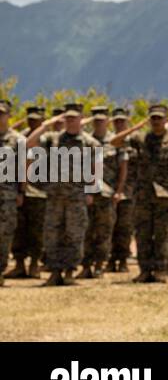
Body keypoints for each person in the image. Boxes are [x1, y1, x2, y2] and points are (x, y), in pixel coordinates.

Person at [110, 105, 168, 283]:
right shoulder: (139, 138)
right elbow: (114, 141)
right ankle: (144, 270)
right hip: (143, 194)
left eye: (159, 118)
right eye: (153, 118)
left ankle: (160, 270)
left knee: (162, 234)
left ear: (166, 120)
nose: (156, 121)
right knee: (142, 234)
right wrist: (136, 127)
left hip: (165, 195)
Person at [29, 105, 100, 286]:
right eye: (67, 118)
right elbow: (29, 143)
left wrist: (91, 192)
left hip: (77, 197)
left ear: (81, 119)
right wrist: (46, 125)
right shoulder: (53, 139)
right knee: (52, 234)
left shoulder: (90, 143)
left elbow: (95, 169)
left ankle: (69, 271)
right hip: (55, 196)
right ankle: (55, 272)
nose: (70, 121)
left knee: (74, 234)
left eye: (73, 118)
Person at [6, 106, 49, 279]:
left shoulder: (47, 139)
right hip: (21, 190)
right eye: (30, 119)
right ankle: (19, 264)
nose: (33, 122)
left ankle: (34, 264)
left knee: (37, 230)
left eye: (36, 119)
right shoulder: (20, 137)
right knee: (19, 229)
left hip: (40, 190)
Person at [82, 107, 124, 278]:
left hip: (107, 193)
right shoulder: (85, 141)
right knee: (85, 230)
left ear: (108, 121)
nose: (99, 123)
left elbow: (123, 168)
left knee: (104, 231)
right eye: (96, 120)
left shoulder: (115, 141)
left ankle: (99, 265)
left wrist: (119, 191)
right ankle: (86, 266)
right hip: (86, 193)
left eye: (102, 120)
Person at [108, 109, 135, 273]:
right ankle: (110, 259)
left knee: (125, 228)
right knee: (108, 227)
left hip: (129, 192)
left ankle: (123, 259)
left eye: (122, 121)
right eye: (116, 121)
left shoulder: (135, 141)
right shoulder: (107, 141)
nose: (119, 124)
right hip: (109, 192)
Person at [0, 102, 21, 284]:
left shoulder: (17, 140)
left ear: (9, 116)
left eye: (2, 114)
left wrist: (21, 191)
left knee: (5, 234)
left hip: (7, 195)